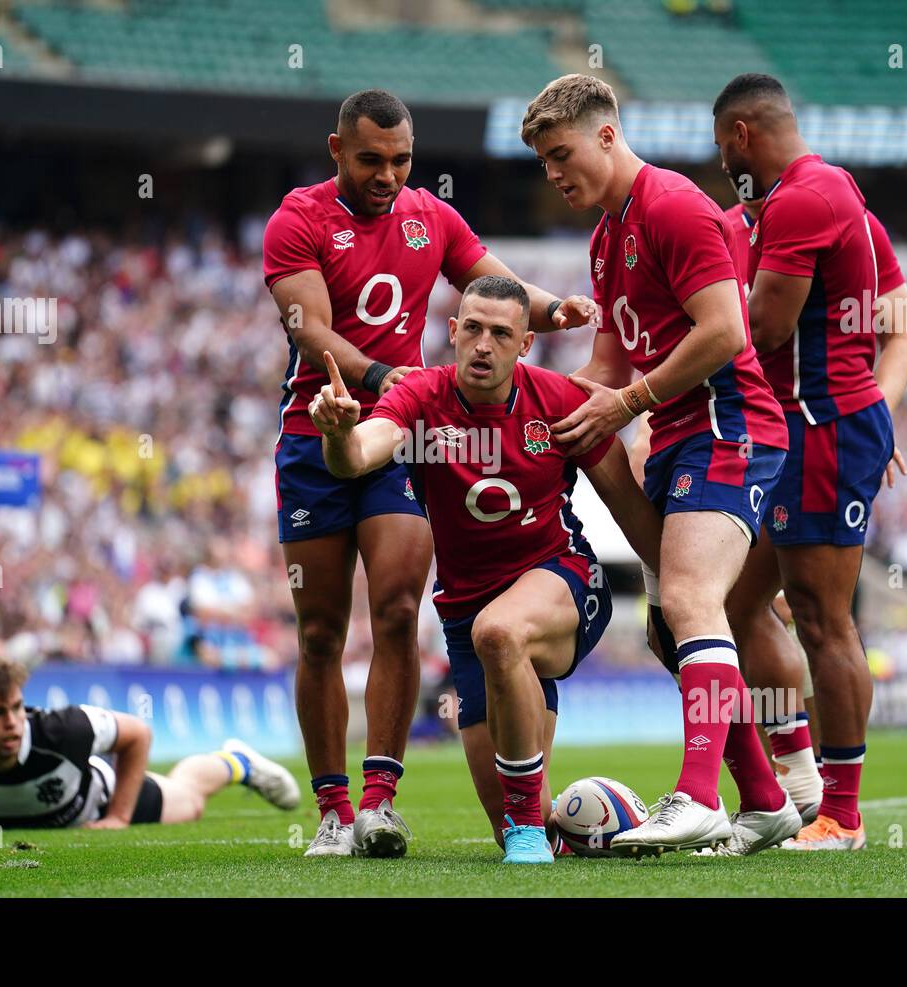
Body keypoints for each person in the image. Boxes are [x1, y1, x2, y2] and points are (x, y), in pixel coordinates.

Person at [263, 88, 596, 857]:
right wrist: (390, 383)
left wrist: (556, 313)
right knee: (318, 632)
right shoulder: (298, 220)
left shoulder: (429, 216)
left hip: (401, 439)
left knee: (395, 608)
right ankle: (332, 809)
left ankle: (380, 800)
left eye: (402, 159)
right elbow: (311, 329)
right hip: (315, 437)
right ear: (336, 149)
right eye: (372, 159)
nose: (387, 174)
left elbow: (499, 284)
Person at [520, 74, 801, 856]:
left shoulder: (674, 204)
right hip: (678, 436)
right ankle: (770, 800)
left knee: (686, 598)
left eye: (560, 153)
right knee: (665, 630)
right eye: (544, 161)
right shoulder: (608, 236)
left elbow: (725, 332)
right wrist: (541, 397)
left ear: (607, 136)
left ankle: (700, 797)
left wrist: (625, 403)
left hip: (730, 425)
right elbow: (608, 358)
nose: (553, 173)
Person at [309, 275, 662, 863]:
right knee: (528, 814)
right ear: (452, 332)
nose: (482, 345)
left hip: (565, 578)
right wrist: (339, 432)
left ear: (525, 344)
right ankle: (590, 828)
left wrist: (679, 601)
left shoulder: (562, 402)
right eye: (472, 329)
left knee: (501, 632)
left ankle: (527, 830)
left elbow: (630, 511)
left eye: (501, 333)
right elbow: (358, 456)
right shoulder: (421, 398)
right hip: (466, 612)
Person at [712, 73, 907, 850]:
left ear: (740, 135)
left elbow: (762, 328)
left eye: (722, 148)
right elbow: (893, 322)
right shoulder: (836, 195)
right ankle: (795, 776)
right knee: (733, 601)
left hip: (820, 427)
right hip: (799, 427)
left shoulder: (802, 200)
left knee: (824, 618)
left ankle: (843, 813)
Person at [0, 655, 299, 832]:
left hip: (100, 799)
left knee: (190, 801)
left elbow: (138, 733)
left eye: (17, 708)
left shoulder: (62, 730)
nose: (12, 723)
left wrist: (119, 817)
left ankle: (236, 762)